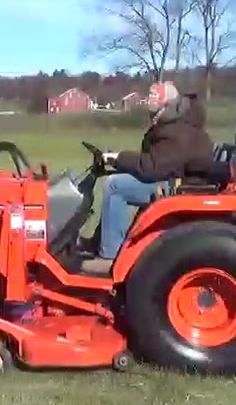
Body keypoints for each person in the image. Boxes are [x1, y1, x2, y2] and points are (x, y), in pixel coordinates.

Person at [80, 81, 214, 275]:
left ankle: (110, 256)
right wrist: (118, 159)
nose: (152, 116)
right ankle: (99, 242)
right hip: (172, 178)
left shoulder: (179, 132)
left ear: (167, 106)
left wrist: (120, 158)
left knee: (116, 186)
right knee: (120, 179)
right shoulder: (174, 126)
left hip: (177, 185)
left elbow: (151, 168)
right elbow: (155, 160)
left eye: (155, 110)